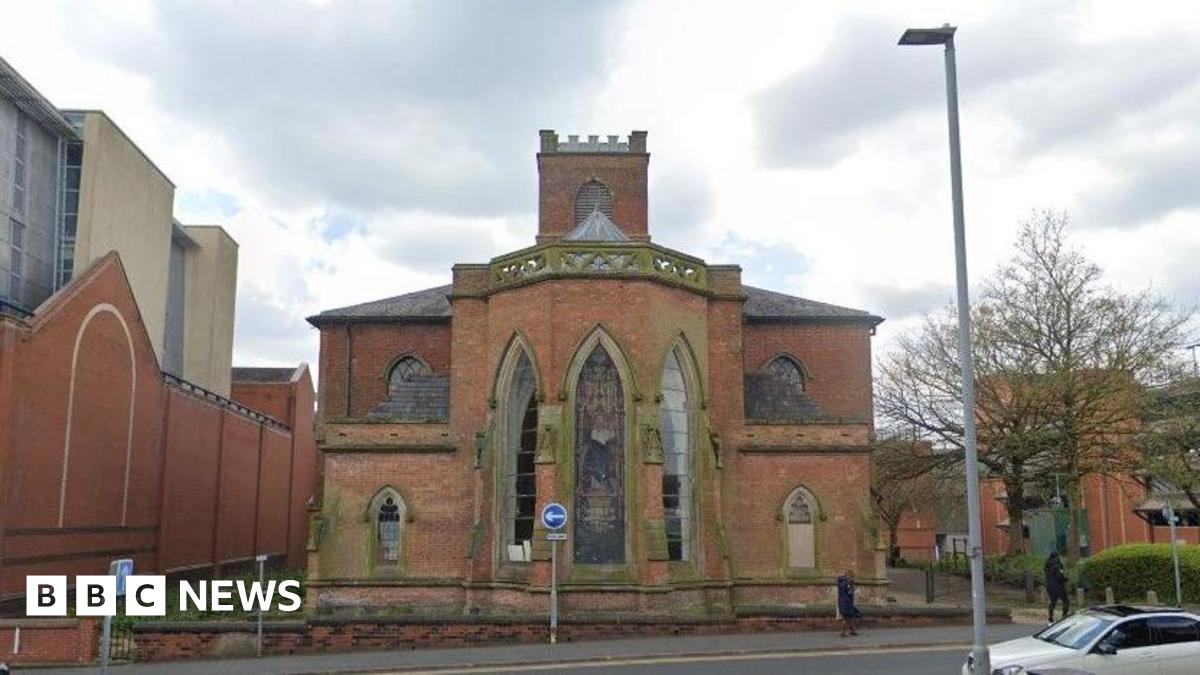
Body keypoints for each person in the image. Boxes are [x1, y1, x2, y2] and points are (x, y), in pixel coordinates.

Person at [1044, 551, 1070, 624]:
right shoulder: (1058, 564)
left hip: (1049, 586)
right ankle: (1064, 616)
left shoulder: (1047, 564)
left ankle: (1050, 619)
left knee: (1052, 601)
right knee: (1066, 601)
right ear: (1057, 556)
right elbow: (1059, 576)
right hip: (1059, 586)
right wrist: (1065, 579)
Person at [837, 569, 862, 637]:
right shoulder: (847, 584)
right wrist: (852, 588)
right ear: (848, 577)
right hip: (847, 603)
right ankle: (843, 633)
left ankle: (852, 631)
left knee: (850, 617)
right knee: (846, 618)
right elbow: (850, 593)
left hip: (842, 603)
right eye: (852, 577)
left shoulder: (840, 583)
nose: (852, 578)